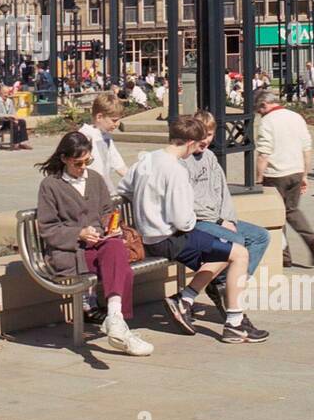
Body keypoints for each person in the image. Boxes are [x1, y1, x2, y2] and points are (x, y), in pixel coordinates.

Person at [119, 115, 266, 344]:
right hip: (170, 238)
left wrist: (147, 207)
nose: (198, 149)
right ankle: (234, 323)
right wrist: (186, 222)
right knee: (240, 252)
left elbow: (123, 187)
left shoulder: (147, 160)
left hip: (149, 235)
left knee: (226, 251)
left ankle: (186, 299)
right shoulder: (176, 170)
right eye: (197, 144)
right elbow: (182, 221)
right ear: (189, 143)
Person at [36, 131, 151, 356]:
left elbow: (107, 211)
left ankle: (114, 317)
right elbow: (48, 228)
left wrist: (112, 226)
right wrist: (79, 233)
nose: (83, 167)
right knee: (120, 266)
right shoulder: (50, 185)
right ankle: (120, 326)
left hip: (101, 243)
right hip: (73, 251)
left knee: (116, 247)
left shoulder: (95, 179)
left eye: (87, 161)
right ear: (64, 159)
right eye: (78, 163)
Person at [181, 111, 271, 311]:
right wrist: (220, 222)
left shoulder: (211, 157)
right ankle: (223, 284)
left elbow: (223, 193)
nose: (205, 140)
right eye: (202, 135)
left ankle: (233, 284)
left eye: (210, 135)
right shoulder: (183, 161)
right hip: (199, 221)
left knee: (260, 236)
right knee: (236, 241)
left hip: (219, 218)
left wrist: (228, 218)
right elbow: (188, 203)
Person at [255, 88, 314, 267]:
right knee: (292, 210)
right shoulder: (295, 117)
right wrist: (305, 174)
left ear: (264, 104)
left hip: (275, 175)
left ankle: (284, 256)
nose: (259, 114)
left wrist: (259, 178)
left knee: (277, 215)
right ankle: (312, 239)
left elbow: (263, 153)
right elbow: (306, 146)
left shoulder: (268, 121)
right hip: (296, 171)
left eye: (258, 110)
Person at [79, 92, 128, 195]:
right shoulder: (85, 136)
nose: (117, 124)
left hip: (103, 189)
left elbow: (118, 164)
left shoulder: (105, 136)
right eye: (114, 120)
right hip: (89, 191)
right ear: (99, 117)